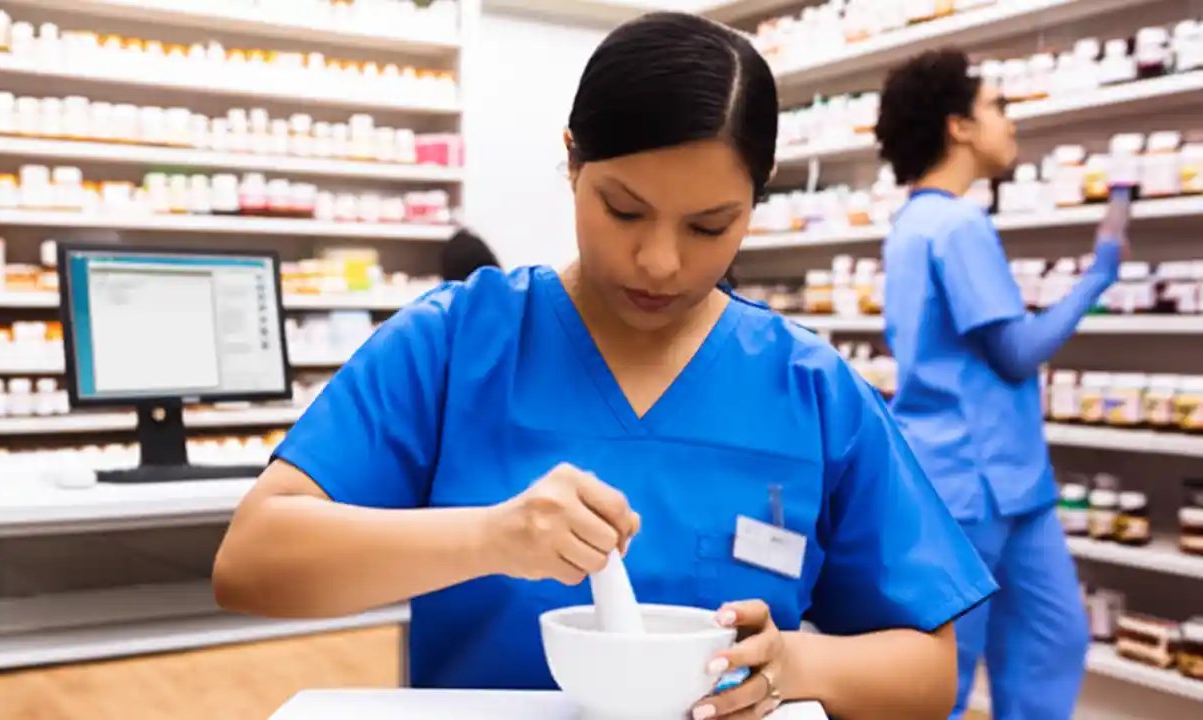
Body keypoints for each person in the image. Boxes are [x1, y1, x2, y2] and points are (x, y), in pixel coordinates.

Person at [214, 15, 997, 720]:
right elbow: (252, 564)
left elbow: (929, 674)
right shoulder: (457, 346)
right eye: (623, 210)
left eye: (708, 225)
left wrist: (796, 663)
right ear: (571, 164)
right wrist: (488, 538)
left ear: (755, 202)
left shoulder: (811, 389)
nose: (659, 262)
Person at [876, 49, 1129, 720]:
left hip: (1010, 481)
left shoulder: (913, 222)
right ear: (959, 126)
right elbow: (1016, 353)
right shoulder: (954, 224)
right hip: (971, 481)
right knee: (951, 672)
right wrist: (1100, 273)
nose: (1009, 124)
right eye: (999, 108)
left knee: (1052, 636)